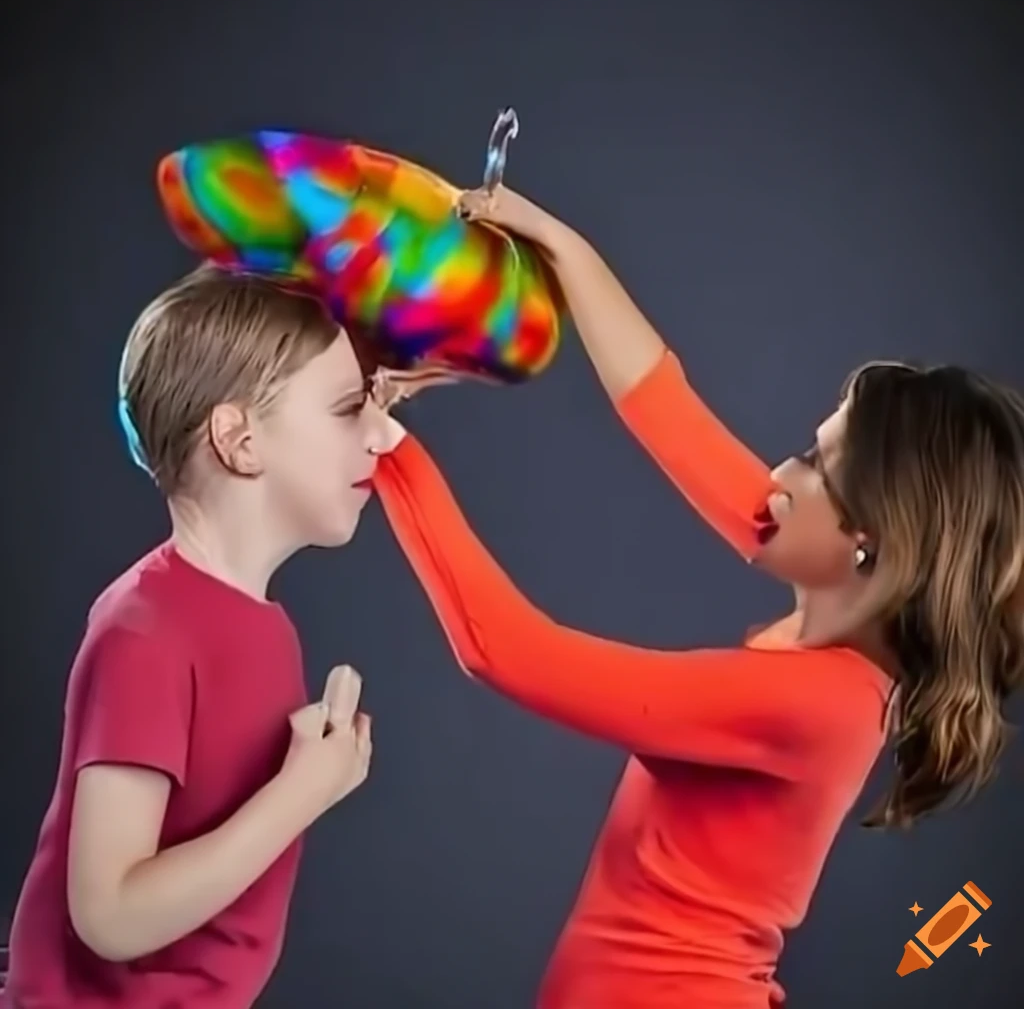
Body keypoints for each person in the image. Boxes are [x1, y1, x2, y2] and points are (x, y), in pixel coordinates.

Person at [369, 185, 1024, 1008]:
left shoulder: (822, 704)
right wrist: (551, 240)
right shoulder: (830, 619)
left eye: (813, 464)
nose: (777, 478)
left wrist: (383, 444)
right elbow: (661, 402)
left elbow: (503, 648)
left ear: (871, 539)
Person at [5, 267, 391, 1008]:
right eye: (348, 410)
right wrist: (303, 791)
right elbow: (109, 915)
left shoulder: (260, 624)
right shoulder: (145, 630)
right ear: (240, 440)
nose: (382, 435)